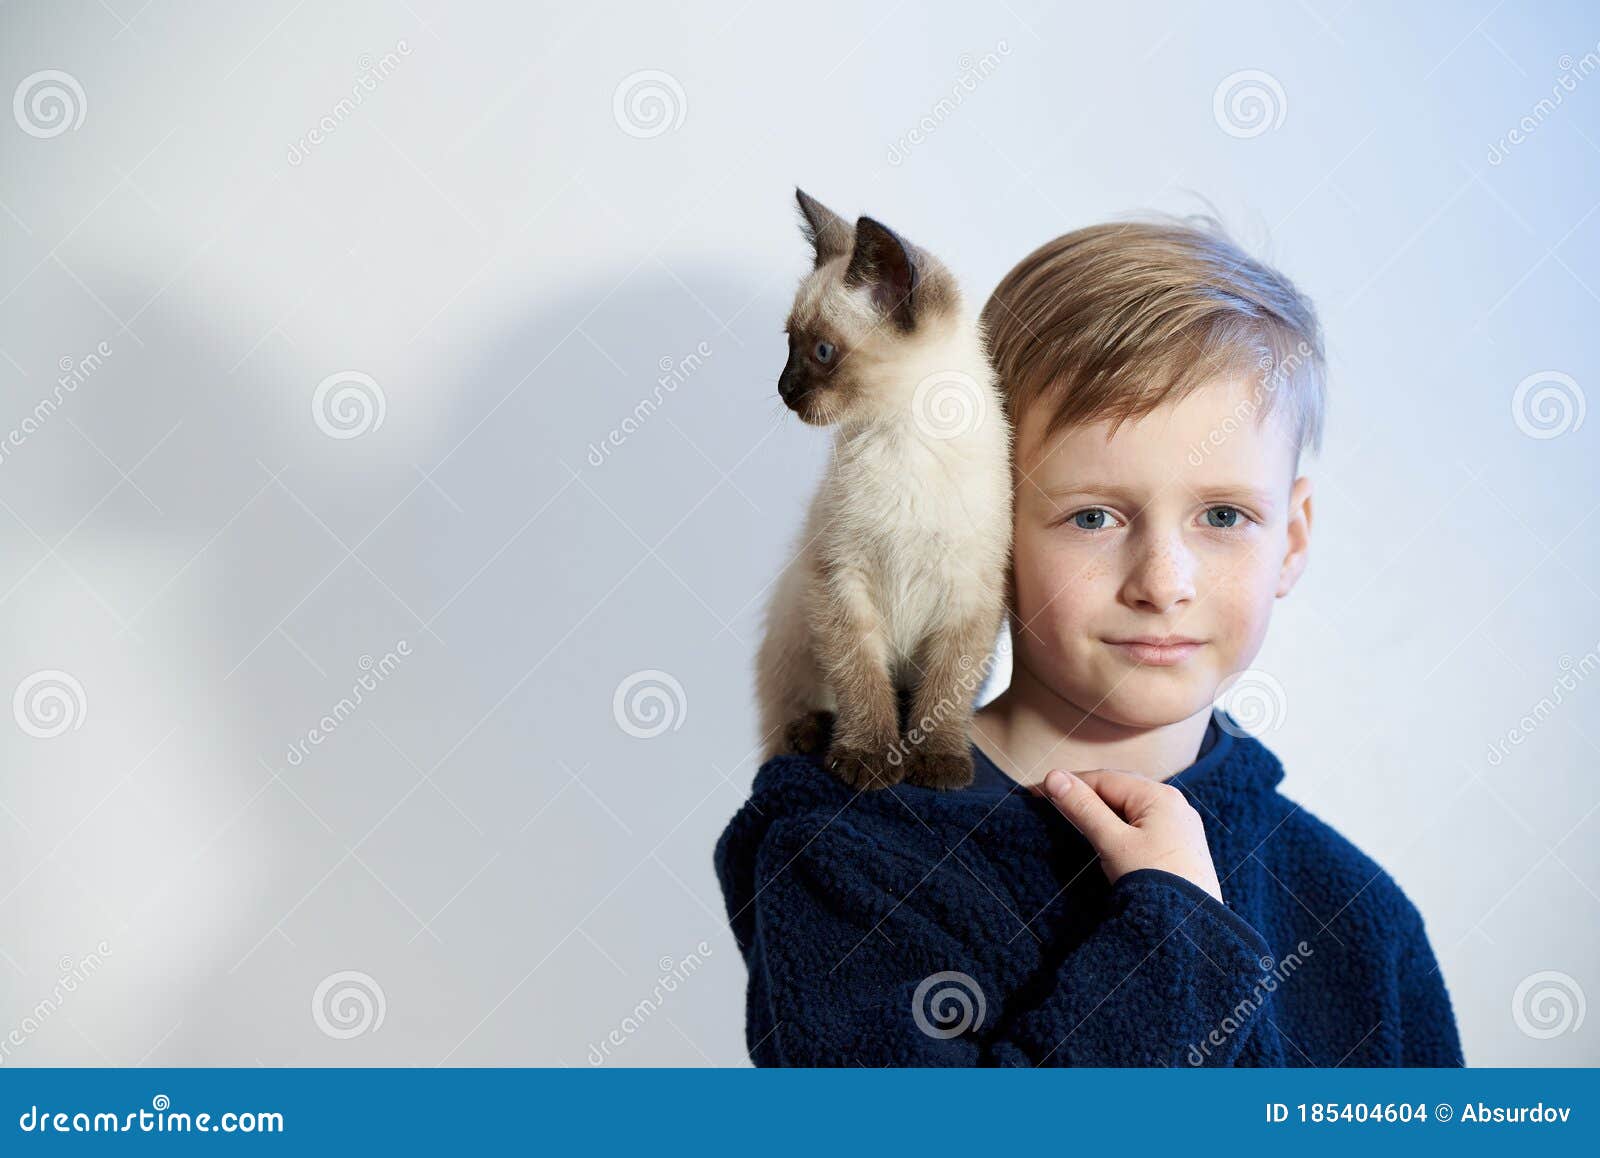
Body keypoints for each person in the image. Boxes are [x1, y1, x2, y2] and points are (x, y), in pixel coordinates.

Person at [712, 216, 1466, 1066]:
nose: (1162, 580)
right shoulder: (848, 854)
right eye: (1094, 516)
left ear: (1290, 539)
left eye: (1224, 516)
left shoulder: (1359, 915)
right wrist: (1176, 932)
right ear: (988, 516)